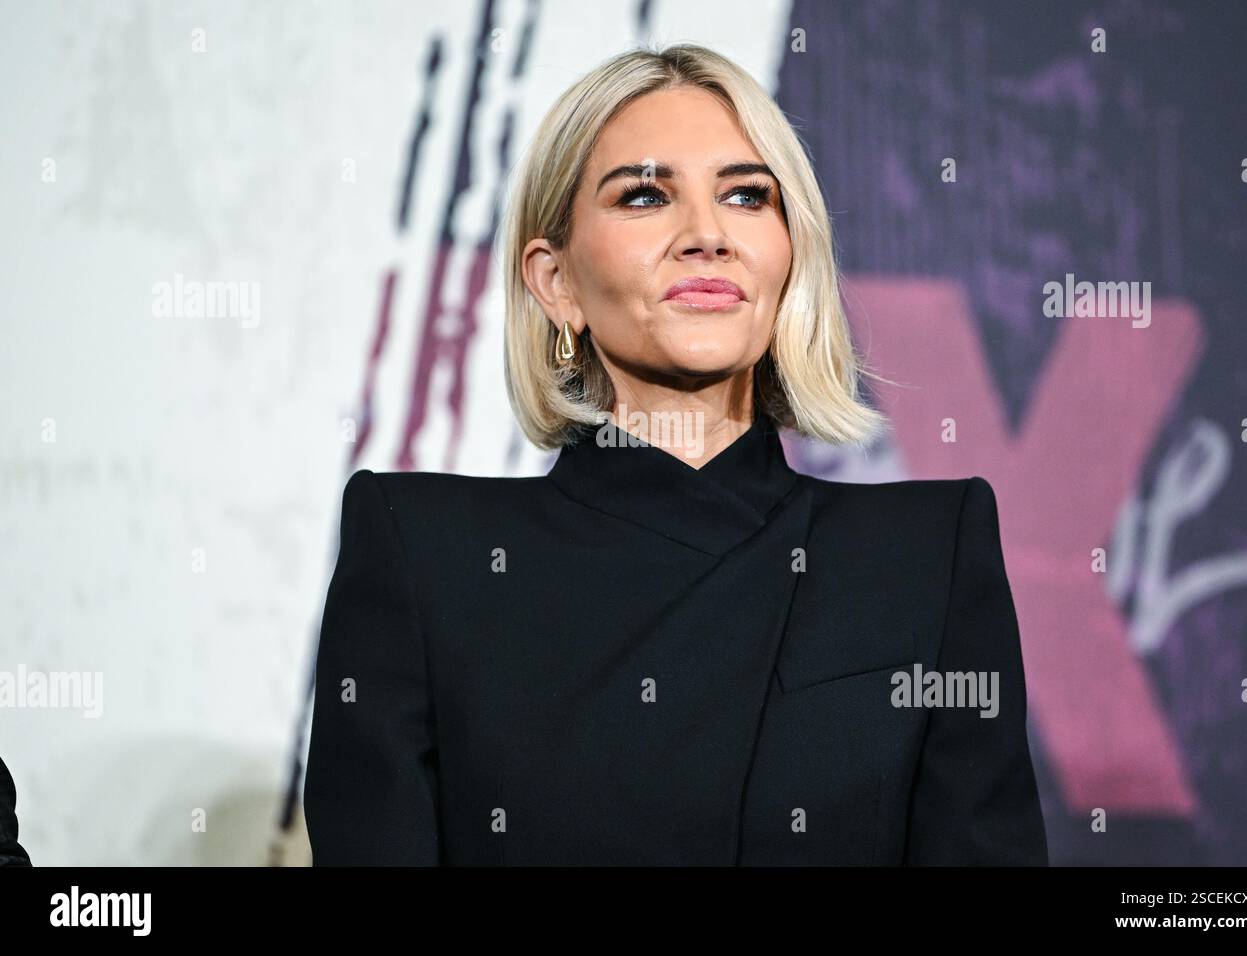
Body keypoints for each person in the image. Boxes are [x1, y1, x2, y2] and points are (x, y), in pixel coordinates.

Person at [303, 43, 1048, 865]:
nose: (707, 235)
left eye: (746, 195)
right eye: (645, 195)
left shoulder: (925, 553)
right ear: (556, 282)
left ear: (790, 254)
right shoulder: (425, 550)